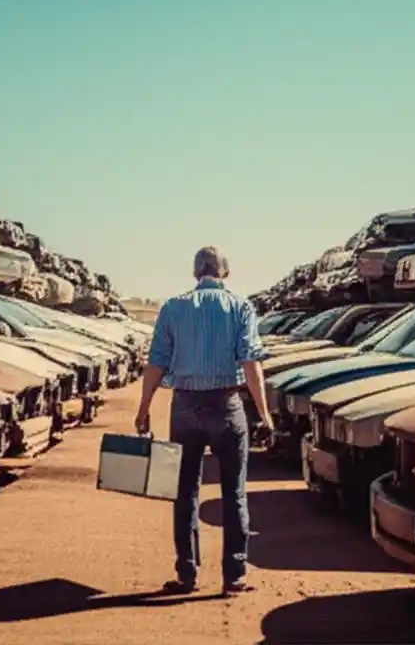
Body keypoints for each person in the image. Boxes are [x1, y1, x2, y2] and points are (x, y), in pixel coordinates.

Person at [135, 246, 273, 596]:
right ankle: (234, 575)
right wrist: (264, 413)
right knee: (234, 491)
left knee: (184, 493)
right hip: (227, 406)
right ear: (224, 272)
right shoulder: (241, 307)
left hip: (184, 407)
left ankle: (187, 574)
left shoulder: (172, 307)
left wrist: (144, 406)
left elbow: (157, 361)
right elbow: (250, 363)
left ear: (196, 273)